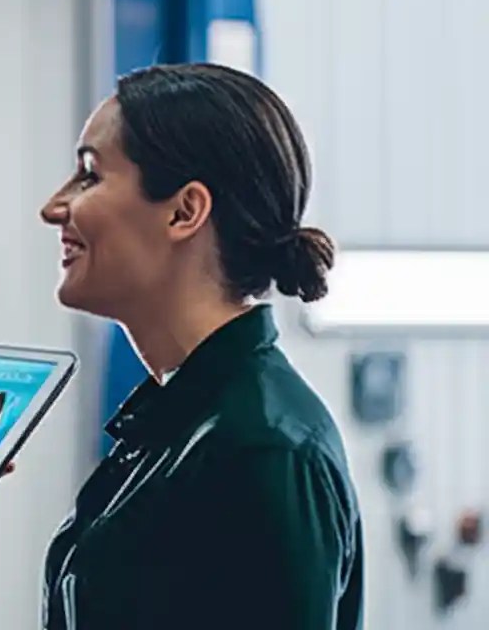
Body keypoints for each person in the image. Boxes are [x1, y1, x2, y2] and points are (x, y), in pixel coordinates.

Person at [37, 63, 363, 629]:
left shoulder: (263, 449)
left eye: (89, 177)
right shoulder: (175, 427)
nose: (54, 207)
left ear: (184, 211)